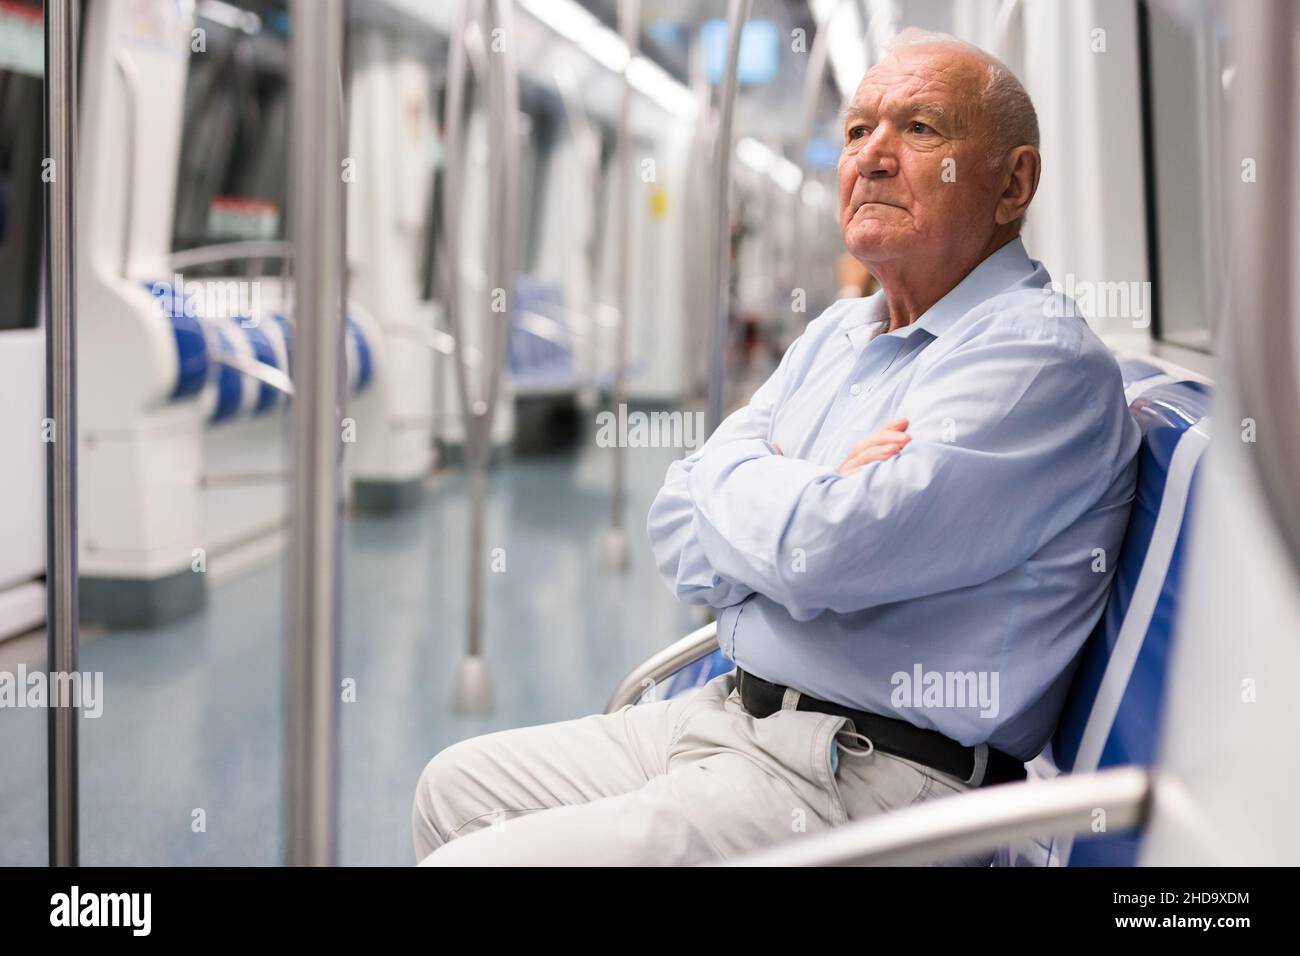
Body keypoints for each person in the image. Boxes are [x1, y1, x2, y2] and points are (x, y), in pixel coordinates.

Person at [411, 28, 1140, 866]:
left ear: (1013, 183)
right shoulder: (841, 332)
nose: (872, 156)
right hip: (732, 715)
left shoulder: (1034, 361)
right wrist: (800, 488)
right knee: (455, 789)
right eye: (858, 129)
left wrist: (772, 485)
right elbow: (678, 530)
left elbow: (821, 551)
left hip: (868, 781)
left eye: (921, 129)